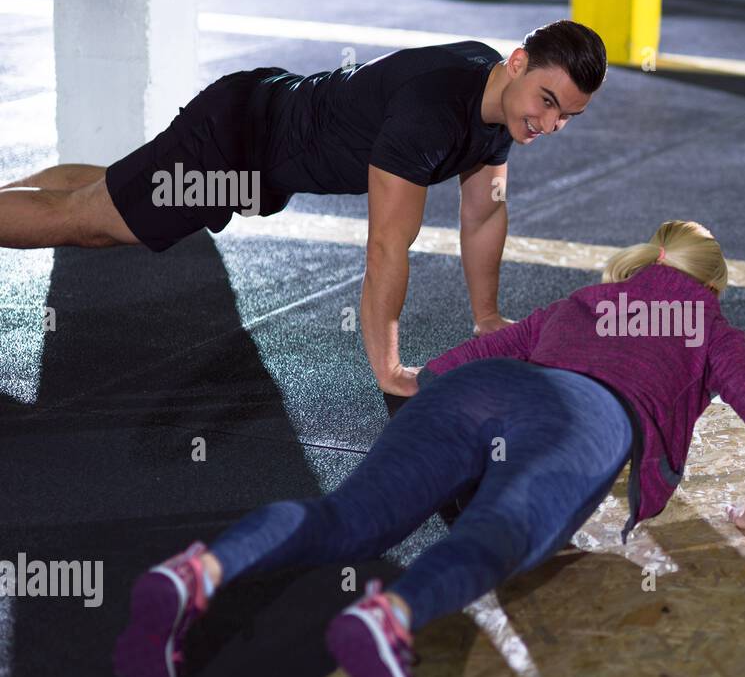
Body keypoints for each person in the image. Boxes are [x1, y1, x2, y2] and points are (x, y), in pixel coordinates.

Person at [113, 220, 745, 677]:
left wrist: (449, 441)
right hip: (579, 418)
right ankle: (390, 618)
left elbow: (444, 370)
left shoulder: (584, 300)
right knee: (495, 535)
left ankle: (199, 569)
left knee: (348, 514)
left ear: (648, 259)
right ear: (709, 286)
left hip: (483, 389)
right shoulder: (708, 325)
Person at [0, 20, 606, 396]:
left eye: (567, 117)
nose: (551, 124)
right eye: (548, 102)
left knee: (110, 191)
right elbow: (388, 245)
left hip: (260, 138)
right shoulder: (432, 113)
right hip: (234, 141)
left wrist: (487, 318)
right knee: (97, 224)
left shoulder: (500, 103)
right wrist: (391, 371)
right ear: (520, 61)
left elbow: (483, 215)